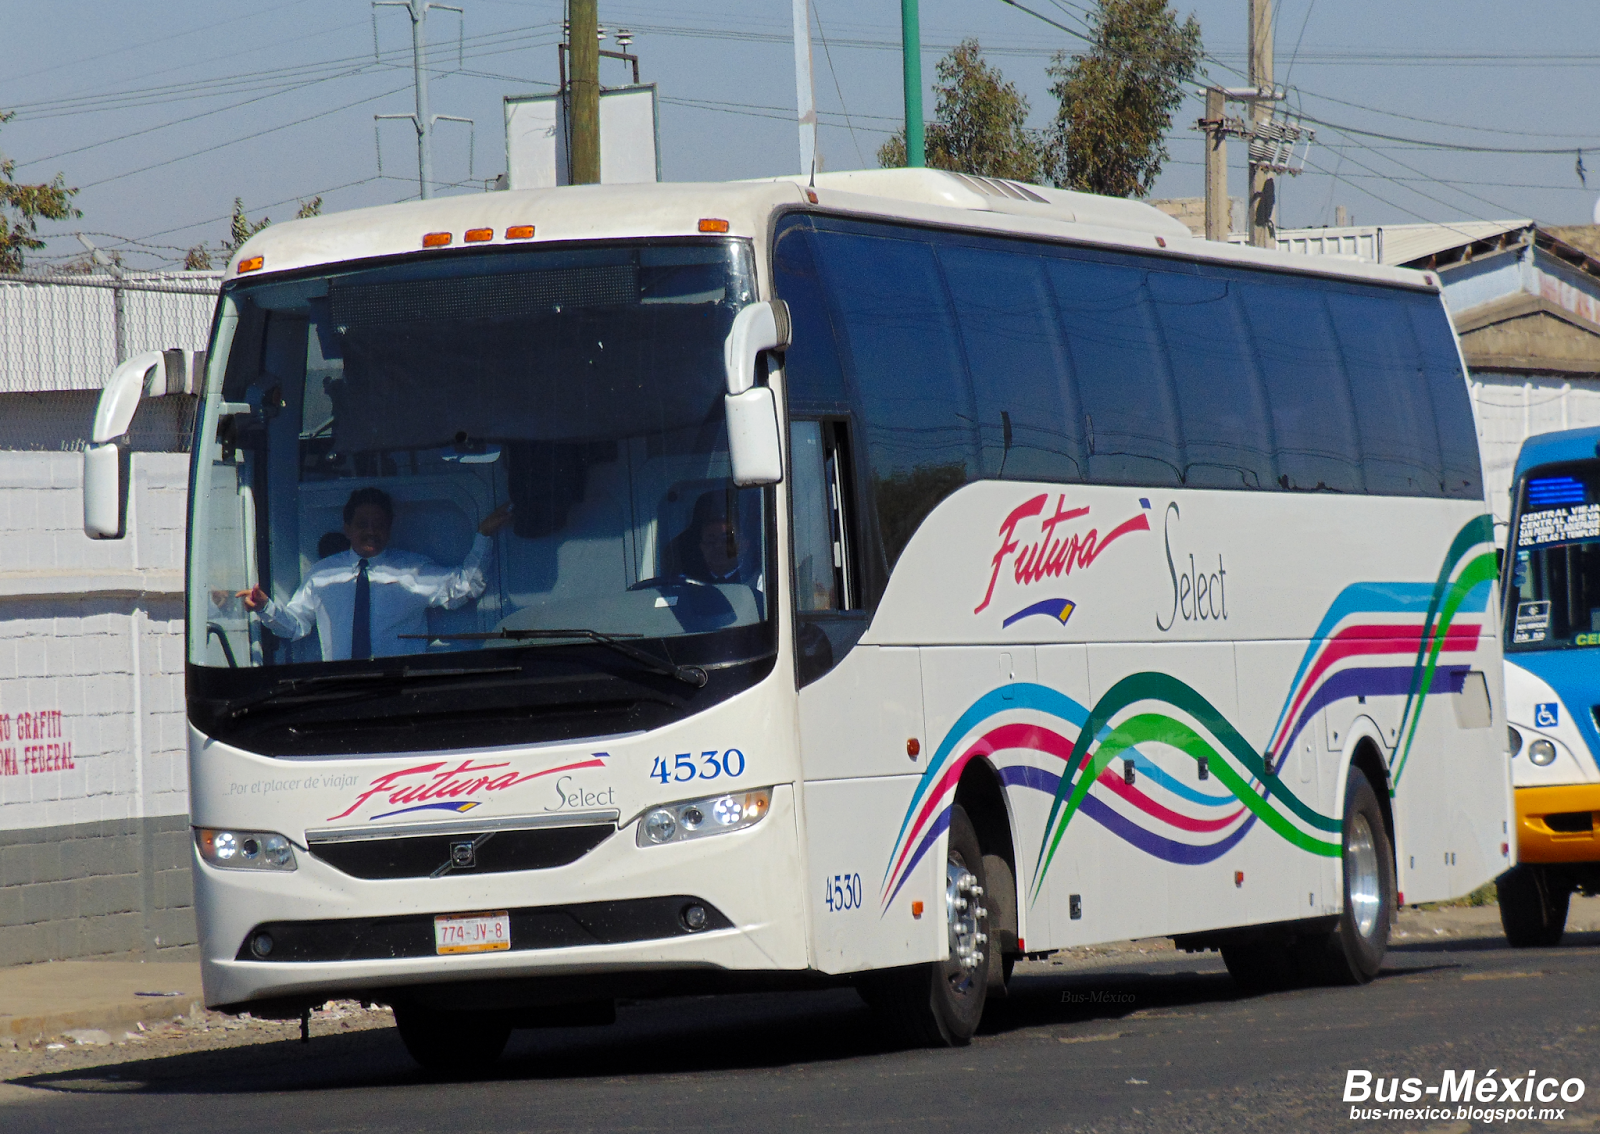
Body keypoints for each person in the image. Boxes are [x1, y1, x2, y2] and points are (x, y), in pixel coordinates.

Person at [239, 487, 512, 662]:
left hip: (402, 688)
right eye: (362, 524)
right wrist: (265, 608)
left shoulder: (412, 569)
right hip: (341, 690)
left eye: (379, 525)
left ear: (390, 528)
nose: (371, 531)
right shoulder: (322, 575)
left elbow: (464, 588)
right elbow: (296, 626)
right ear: (347, 528)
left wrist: (484, 534)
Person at [669, 490, 754, 584]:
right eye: (711, 540)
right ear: (702, 547)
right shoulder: (685, 584)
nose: (718, 545)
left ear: (744, 545)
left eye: (726, 539)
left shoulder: (760, 582)